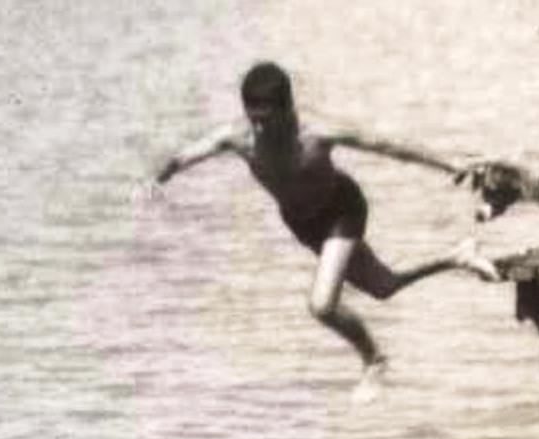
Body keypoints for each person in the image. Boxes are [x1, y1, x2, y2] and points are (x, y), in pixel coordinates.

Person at [154, 62, 497, 398]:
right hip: (304, 225)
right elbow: (184, 156)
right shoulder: (238, 138)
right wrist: (156, 178)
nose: (258, 130)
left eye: (266, 121)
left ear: (288, 108)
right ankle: (458, 257)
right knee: (383, 286)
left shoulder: (317, 132)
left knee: (321, 305)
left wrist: (449, 162)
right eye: (253, 120)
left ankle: (374, 360)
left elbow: (387, 145)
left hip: (341, 209)